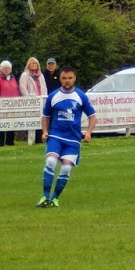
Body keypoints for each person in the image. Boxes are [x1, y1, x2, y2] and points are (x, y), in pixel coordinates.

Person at [36, 66, 96, 207]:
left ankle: (54, 199)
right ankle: (44, 197)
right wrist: (45, 131)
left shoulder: (81, 96)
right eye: (64, 78)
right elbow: (45, 116)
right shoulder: (53, 96)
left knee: (66, 169)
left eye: (70, 78)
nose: (67, 81)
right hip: (56, 137)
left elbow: (92, 117)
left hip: (73, 140)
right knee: (50, 162)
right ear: (60, 79)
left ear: (74, 78)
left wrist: (88, 132)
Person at [0, 60, 21, 147]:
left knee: (11, 123)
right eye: (5, 68)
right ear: (1, 69)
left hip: (13, 105)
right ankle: (0, 143)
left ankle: (10, 142)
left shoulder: (13, 78)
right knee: (1, 124)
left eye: (8, 68)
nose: (7, 70)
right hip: (1, 106)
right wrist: (2, 102)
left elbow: (16, 90)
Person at [19, 57, 49, 146]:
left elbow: (44, 88)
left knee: (42, 119)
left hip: (41, 100)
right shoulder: (25, 75)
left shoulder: (40, 75)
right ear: (28, 65)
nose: (33, 65)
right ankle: (32, 139)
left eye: (35, 64)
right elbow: (22, 88)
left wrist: (45, 98)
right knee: (32, 120)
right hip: (31, 101)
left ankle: (41, 138)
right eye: (32, 63)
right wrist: (29, 98)